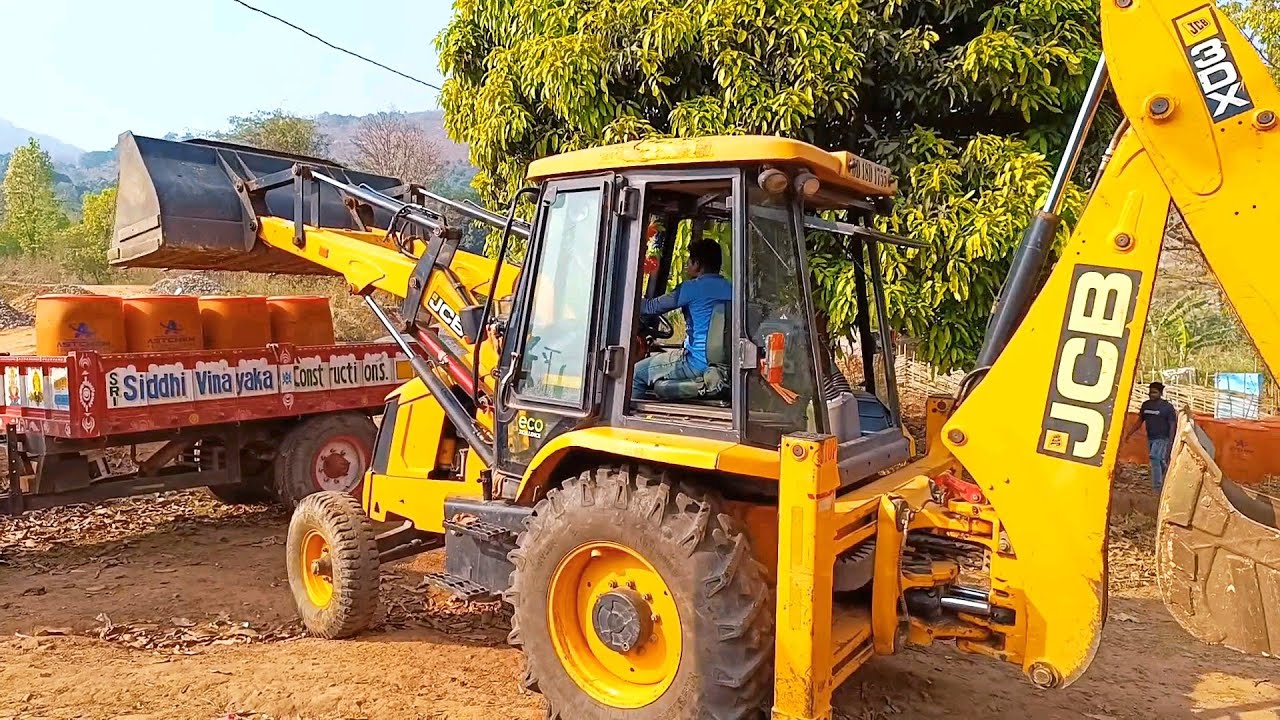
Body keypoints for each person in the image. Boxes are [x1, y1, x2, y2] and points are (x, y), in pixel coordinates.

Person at [632, 238, 732, 401]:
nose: (686, 264)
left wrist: (627, 295)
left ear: (697, 264)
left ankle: (629, 421)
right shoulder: (731, 288)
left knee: (637, 373)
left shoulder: (691, 288)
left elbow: (649, 308)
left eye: (689, 260)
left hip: (696, 363)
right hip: (722, 367)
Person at [1123, 381, 1179, 492]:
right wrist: (1129, 433)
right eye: (1150, 392)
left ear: (1160, 393)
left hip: (1162, 437)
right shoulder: (1146, 405)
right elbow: (1140, 421)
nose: (1151, 394)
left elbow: (1173, 424)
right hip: (1151, 437)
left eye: (1154, 392)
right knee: (1159, 461)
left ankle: (1156, 488)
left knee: (1154, 458)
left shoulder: (1167, 407)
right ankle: (1168, 473)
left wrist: (1171, 440)